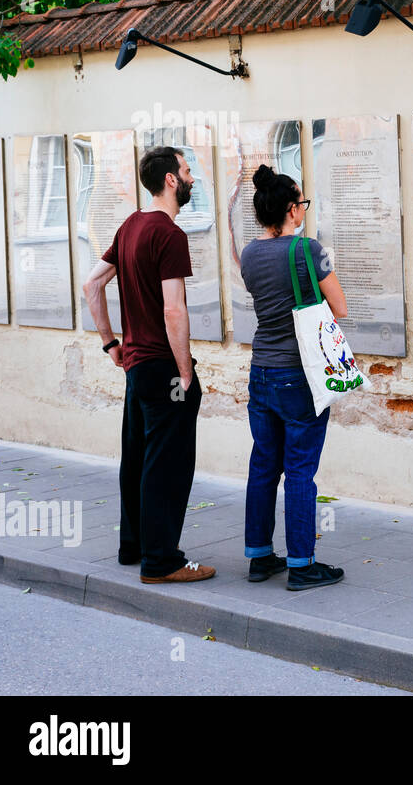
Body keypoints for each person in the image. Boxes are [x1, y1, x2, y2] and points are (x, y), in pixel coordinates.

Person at [82, 146, 214, 583]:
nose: (192, 178)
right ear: (172, 180)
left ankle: (134, 548)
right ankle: (162, 561)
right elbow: (173, 311)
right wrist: (186, 372)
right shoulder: (169, 235)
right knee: (168, 464)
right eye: (188, 171)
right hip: (163, 367)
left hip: (137, 366)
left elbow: (92, 285)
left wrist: (110, 344)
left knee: (137, 458)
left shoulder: (130, 226)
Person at [238, 165, 348, 590]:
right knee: (300, 469)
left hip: (262, 370)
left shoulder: (249, 253)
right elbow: (339, 307)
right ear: (290, 209)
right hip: (299, 373)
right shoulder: (308, 249)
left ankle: (260, 557)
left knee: (264, 464)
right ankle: (302, 565)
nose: (303, 210)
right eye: (300, 203)